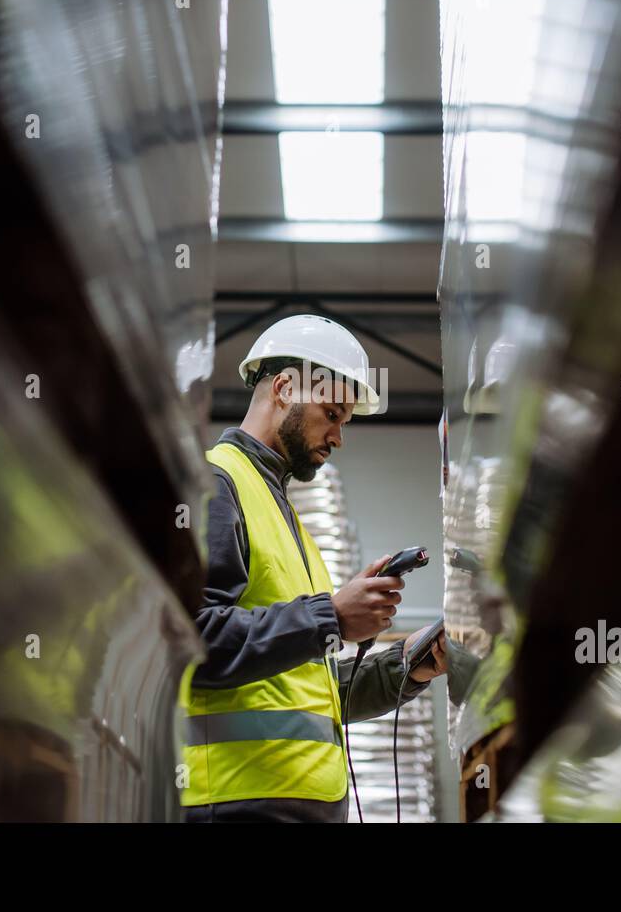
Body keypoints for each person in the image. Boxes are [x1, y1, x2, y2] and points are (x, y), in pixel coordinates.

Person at [180, 314, 447, 822]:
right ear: (284, 388)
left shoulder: (287, 519)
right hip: (236, 805)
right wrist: (331, 618)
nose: (339, 436)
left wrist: (405, 666)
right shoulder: (217, 486)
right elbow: (192, 642)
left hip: (295, 808)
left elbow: (309, 695)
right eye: (331, 413)